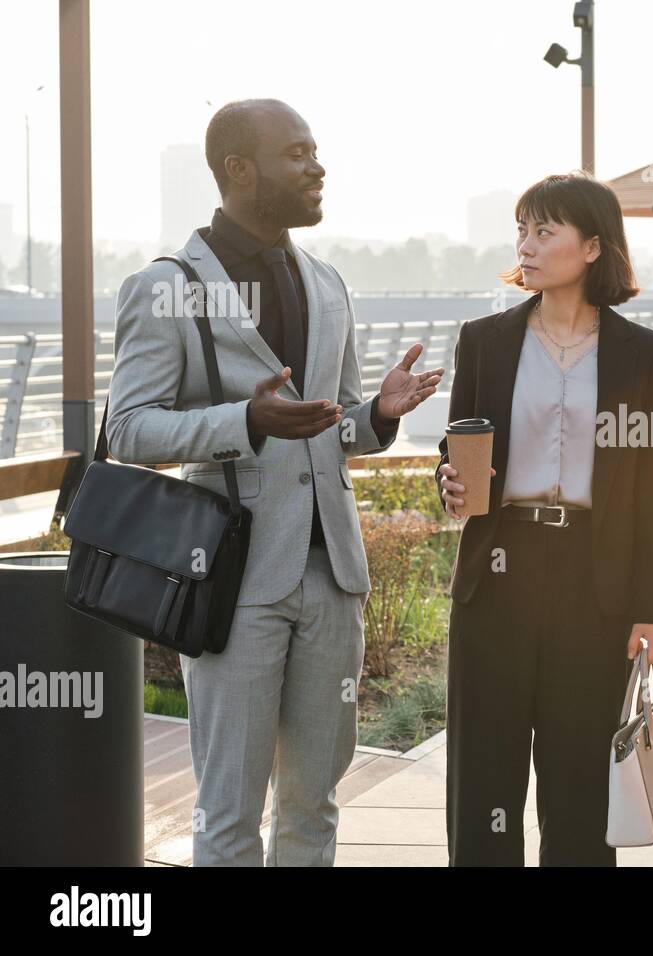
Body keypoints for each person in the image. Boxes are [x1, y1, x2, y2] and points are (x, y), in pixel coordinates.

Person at [106, 99, 442, 866]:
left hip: (333, 578)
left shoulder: (327, 282)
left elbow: (334, 427)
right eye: (297, 154)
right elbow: (127, 429)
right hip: (231, 580)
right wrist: (242, 422)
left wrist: (378, 415)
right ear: (238, 170)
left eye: (315, 151)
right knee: (228, 815)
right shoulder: (167, 286)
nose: (317, 167)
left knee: (315, 804)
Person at [436, 172, 653, 866]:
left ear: (593, 246)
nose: (528, 244)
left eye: (545, 230)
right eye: (522, 229)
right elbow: (460, 452)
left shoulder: (640, 352)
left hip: (593, 583)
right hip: (497, 574)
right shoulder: (484, 341)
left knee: (579, 789)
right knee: (485, 777)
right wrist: (449, 482)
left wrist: (651, 611)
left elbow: (650, 487)